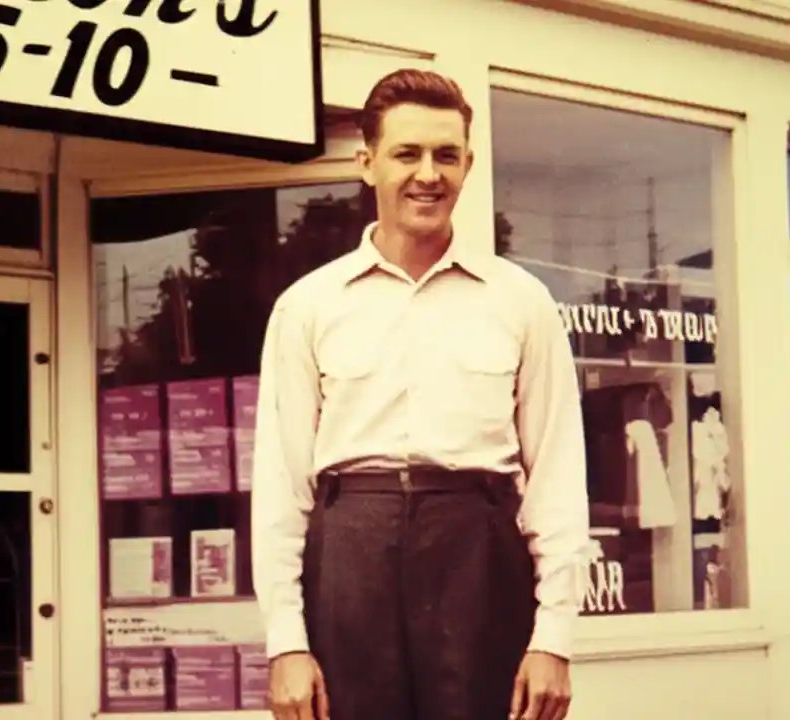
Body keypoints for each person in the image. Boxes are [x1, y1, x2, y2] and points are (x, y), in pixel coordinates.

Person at [250, 68, 590, 720]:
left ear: (468, 164)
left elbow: (556, 474)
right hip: (349, 555)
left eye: (447, 155)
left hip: (479, 556)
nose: (428, 174)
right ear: (367, 162)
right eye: (407, 153)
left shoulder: (521, 302)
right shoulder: (308, 307)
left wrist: (554, 637)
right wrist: (286, 643)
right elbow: (281, 484)